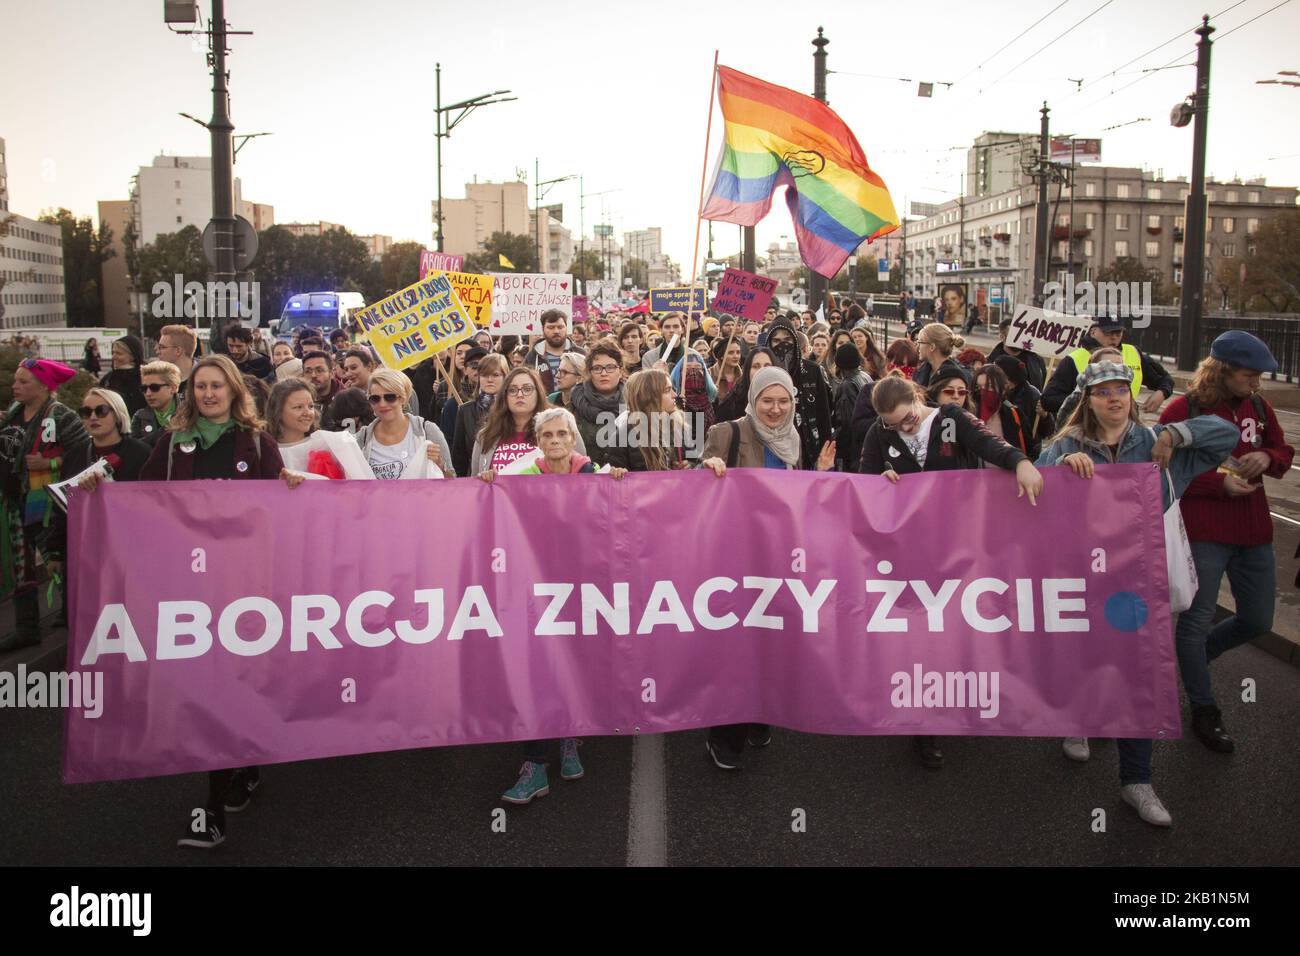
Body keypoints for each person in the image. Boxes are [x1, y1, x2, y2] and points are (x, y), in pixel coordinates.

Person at [1036, 361, 1237, 826]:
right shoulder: (1067, 444)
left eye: (1121, 390)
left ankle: (1137, 781)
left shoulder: (1153, 445)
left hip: (1137, 584)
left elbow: (1225, 436)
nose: (1114, 399)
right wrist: (1062, 468)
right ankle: (1080, 719)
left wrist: (1176, 435)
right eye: (1103, 391)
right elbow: (1033, 493)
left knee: (1137, 676)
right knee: (1084, 658)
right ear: (1087, 400)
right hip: (1084, 578)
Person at [133, 356, 288, 848]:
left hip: (246, 586)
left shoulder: (258, 444)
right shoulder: (174, 446)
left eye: (217, 385)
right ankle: (214, 807)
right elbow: (137, 498)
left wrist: (294, 489)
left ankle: (243, 762)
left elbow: (282, 513)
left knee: (242, 681)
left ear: (234, 390)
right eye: (200, 386)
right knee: (209, 689)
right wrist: (97, 490)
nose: (208, 394)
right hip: (194, 588)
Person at [860, 374, 1043, 770]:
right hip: (908, 553)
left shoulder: (949, 419)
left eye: (908, 419)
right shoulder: (880, 432)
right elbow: (863, 482)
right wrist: (879, 482)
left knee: (959, 628)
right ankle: (923, 725)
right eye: (894, 424)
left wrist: (1021, 462)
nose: (903, 428)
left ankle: (965, 700)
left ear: (917, 399)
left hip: (958, 547)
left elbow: (989, 445)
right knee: (919, 635)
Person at [1158, 331, 1295, 753]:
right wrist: (1218, 486)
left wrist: (1269, 457)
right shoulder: (1184, 408)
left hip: (1253, 530)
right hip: (1204, 530)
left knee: (1257, 620)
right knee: (1196, 619)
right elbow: (1162, 473)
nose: (1256, 383)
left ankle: (1194, 660)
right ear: (1222, 371)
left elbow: (1282, 451)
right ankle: (1204, 707)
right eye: (1249, 375)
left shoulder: (1258, 405)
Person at [485, 407, 627, 803]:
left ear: (573, 437)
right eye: (547, 435)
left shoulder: (590, 473)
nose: (555, 442)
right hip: (534, 586)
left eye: (562, 434)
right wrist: (487, 484)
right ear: (538, 440)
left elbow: (620, 513)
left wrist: (618, 483)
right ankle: (534, 765)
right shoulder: (522, 477)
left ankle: (569, 736)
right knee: (534, 668)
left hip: (581, 587)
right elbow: (495, 508)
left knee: (571, 662)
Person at [696, 366, 835, 768]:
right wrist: (706, 470)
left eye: (783, 401)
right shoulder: (728, 432)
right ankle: (725, 735)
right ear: (753, 400)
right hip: (736, 561)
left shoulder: (795, 440)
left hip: (782, 560)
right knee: (739, 649)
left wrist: (820, 478)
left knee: (773, 642)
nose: (775, 409)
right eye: (766, 401)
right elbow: (696, 491)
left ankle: (760, 713)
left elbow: (797, 500)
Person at [0, 359, 88, 651]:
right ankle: (26, 627)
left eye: (23, 381)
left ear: (43, 386)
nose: (15, 386)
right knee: (21, 563)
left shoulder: (62, 416)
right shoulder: (13, 414)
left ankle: (75, 619)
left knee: (56, 559)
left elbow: (82, 454)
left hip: (47, 502)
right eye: (16, 380)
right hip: (16, 499)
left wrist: (50, 462)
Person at [1040, 315, 1174, 416]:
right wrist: (1090, 403)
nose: (1114, 338)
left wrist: (1162, 392)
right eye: (1107, 333)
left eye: (1118, 333)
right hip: (1087, 430)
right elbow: (1048, 400)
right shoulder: (1074, 360)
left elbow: (1165, 379)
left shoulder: (1134, 353)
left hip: (1126, 429)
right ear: (1093, 332)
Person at [351, 369, 453, 480]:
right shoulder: (362, 438)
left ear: (403, 398)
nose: (382, 404)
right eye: (375, 398)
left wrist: (440, 464)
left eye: (390, 397)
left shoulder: (427, 430)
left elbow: (452, 481)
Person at [765, 316, 833, 471]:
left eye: (787, 339)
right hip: (774, 449)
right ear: (769, 343)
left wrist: (825, 450)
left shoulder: (812, 370)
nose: (782, 345)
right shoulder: (764, 371)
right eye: (776, 341)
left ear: (795, 341)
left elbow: (824, 414)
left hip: (808, 447)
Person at [471, 367, 555, 476]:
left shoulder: (561, 429)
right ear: (505, 396)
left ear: (538, 393)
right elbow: (475, 482)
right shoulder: (485, 436)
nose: (520, 395)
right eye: (512, 390)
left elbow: (579, 474)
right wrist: (484, 479)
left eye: (527, 389)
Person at [606, 369, 688, 473]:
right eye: (667, 390)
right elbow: (616, 484)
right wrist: (618, 473)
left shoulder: (678, 426)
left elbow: (694, 461)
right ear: (649, 397)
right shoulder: (622, 437)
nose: (675, 395)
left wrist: (688, 465)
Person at [569, 343, 624, 465]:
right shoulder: (575, 403)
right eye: (597, 368)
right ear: (590, 373)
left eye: (610, 367)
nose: (604, 373)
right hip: (584, 477)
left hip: (624, 478)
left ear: (620, 371)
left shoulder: (634, 402)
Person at [452, 353, 507, 477]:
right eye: (485, 375)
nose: (490, 379)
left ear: (505, 377)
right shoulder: (465, 411)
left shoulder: (514, 409)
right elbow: (459, 458)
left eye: (496, 375)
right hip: (477, 481)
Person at [832, 343, 871, 473]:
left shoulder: (847, 386)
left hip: (853, 451)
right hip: (866, 442)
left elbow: (846, 423)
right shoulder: (865, 376)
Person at [524, 310, 585, 392]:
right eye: (551, 327)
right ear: (543, 329)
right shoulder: (532, 356)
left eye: (560, 327)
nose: (556, 331)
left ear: (566, 328)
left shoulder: (580, 354)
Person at [714, 347, 775, 423]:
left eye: (767, 366)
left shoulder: (783, 398)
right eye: (756, 366)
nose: (761, 370)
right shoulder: (731, 404)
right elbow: (703, 431)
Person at [987, 319, 1047, 392]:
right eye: (1015, 335)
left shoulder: (1037, 360)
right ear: (1002, 337)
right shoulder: (990, 363)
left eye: (1022, 333)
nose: (1020, 338)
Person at [131, 360, 181, 448]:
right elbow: (135, 449)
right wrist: (166, 429)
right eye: (144, 388)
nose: (148, 393)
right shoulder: (139, 416)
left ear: (173, 388)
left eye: (154, 387)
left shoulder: (189, 412)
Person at [98, 334, 147, 417]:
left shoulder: (145, 376)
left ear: (132, 356)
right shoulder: (108, 379)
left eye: (119, 353)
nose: (114, 357)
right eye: (113, 352)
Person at [155, 325, 197, 393]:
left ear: (178, 351)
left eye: (162, 347)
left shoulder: (207, 375)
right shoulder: (157, 379)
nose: (157, 352)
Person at [711, 336, 746, 408]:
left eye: (738, 352)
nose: (736, 356)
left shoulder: (744, 377)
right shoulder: (709, 374)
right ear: (721, 356)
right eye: (731, 353)